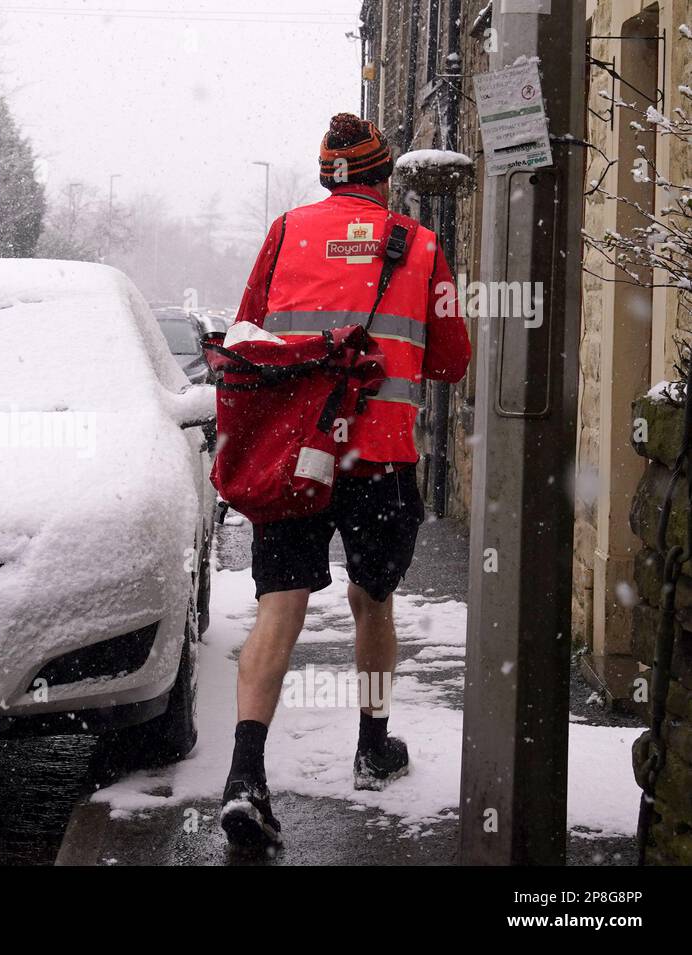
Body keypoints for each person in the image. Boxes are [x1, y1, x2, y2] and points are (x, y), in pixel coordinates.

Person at [219, 113, 472, 851]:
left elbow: (247, 333)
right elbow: (452, 360)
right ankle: (373, 745)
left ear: (326, 175)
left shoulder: (285, 233)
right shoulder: (419, 245)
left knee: (281, 607)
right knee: (373, 600)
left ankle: (244, 778)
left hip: (296, 453)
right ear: (383, 178)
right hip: (380, 460)